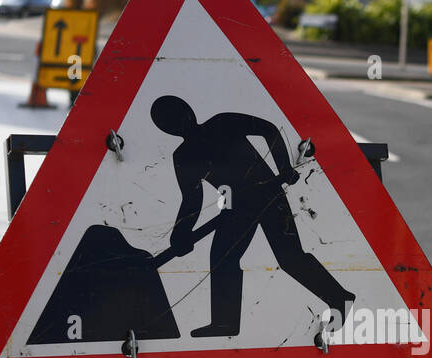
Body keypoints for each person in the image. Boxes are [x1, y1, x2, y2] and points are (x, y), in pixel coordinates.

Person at [150, 95, 354, 337]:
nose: (178, 123)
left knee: (289, 257)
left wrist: (284, 167)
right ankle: (225, 323)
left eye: (178, 115)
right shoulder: (183, 155)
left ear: (189, 111)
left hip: (268, 192)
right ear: (166, 129)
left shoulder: (221, 122)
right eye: (169, 121)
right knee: (222, 260)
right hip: (235, 206)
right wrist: (180, 233)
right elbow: (191, 200)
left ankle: (340, 298)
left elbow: (268, 129)